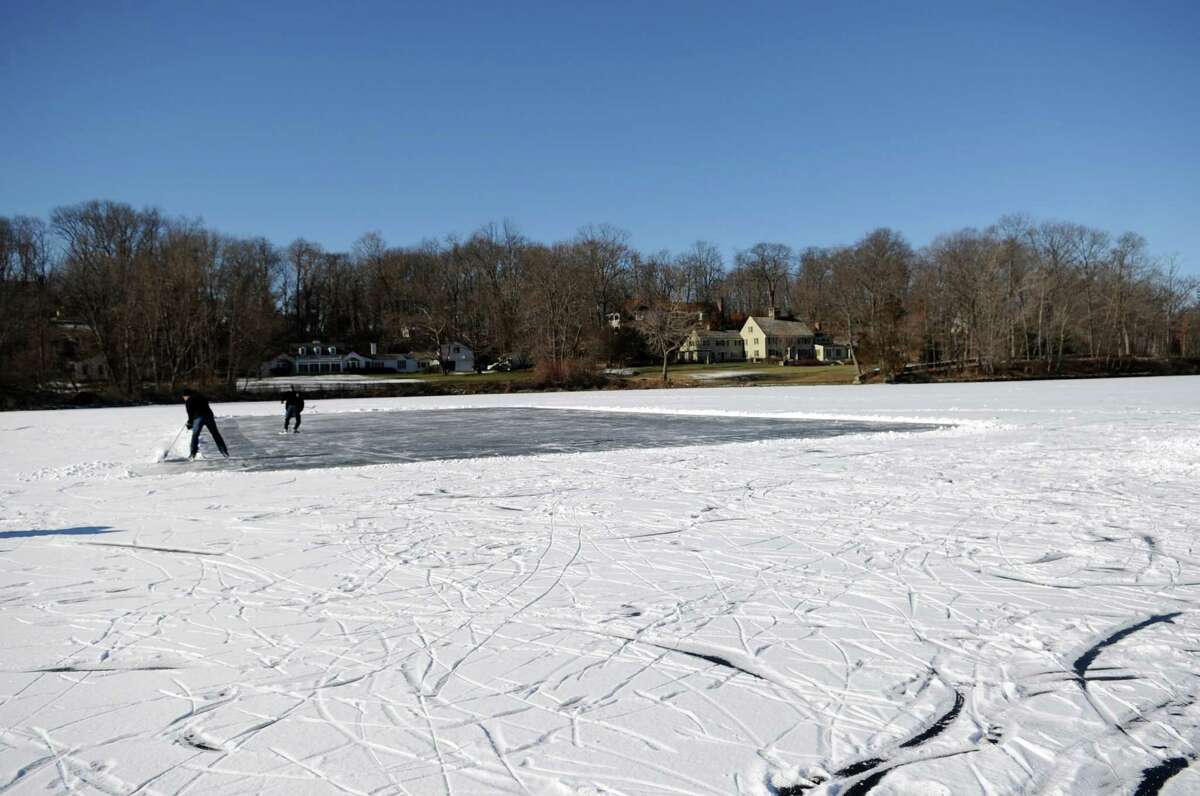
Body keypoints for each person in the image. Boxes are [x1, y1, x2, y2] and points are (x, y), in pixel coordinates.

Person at [181, 388, 229, 459]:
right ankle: (224, 451)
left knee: (195, 435)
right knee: (215, 434)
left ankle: (192, 454)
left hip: (199, 417)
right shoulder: (201, 397)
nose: (183, 399)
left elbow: (190, 413)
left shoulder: (189, 400)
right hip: (209, 416)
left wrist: (190, 423)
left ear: (186, 396)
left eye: (183, 397)